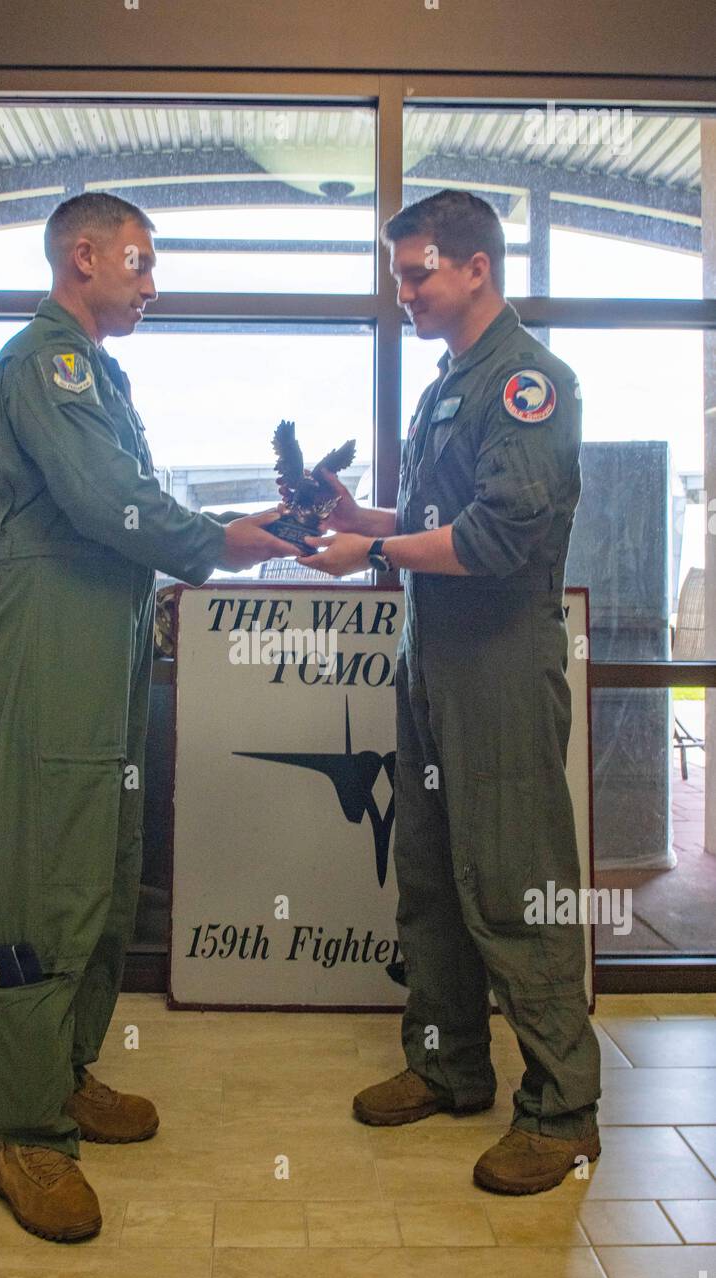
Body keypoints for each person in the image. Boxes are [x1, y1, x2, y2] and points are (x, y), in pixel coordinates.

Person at [0, 192, 299, 1241]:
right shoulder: (45, 364)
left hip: (102, 626)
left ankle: (63, 1073)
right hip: (52, 628)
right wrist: (221, 541)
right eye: (139, 263)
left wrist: (220, 537)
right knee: (46, 877)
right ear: (83, 256)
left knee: (104, 864)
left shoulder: (96, 371)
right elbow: (104, 496)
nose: (152, 285)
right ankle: (24, 1131)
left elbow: (125, 504)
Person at [298, 189, 602, 1195]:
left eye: (417, 273)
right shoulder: (450, 385)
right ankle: (448, 1063)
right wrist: (363, 518)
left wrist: (374, 552)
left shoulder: (527, 383)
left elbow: (497, 536)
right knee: (428, 874)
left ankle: (561, 1113)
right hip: (431, 659)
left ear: (476, 266)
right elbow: (439, 517)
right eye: (397, 277)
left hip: (498, 668)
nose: (405, 293)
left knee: (515, 881)